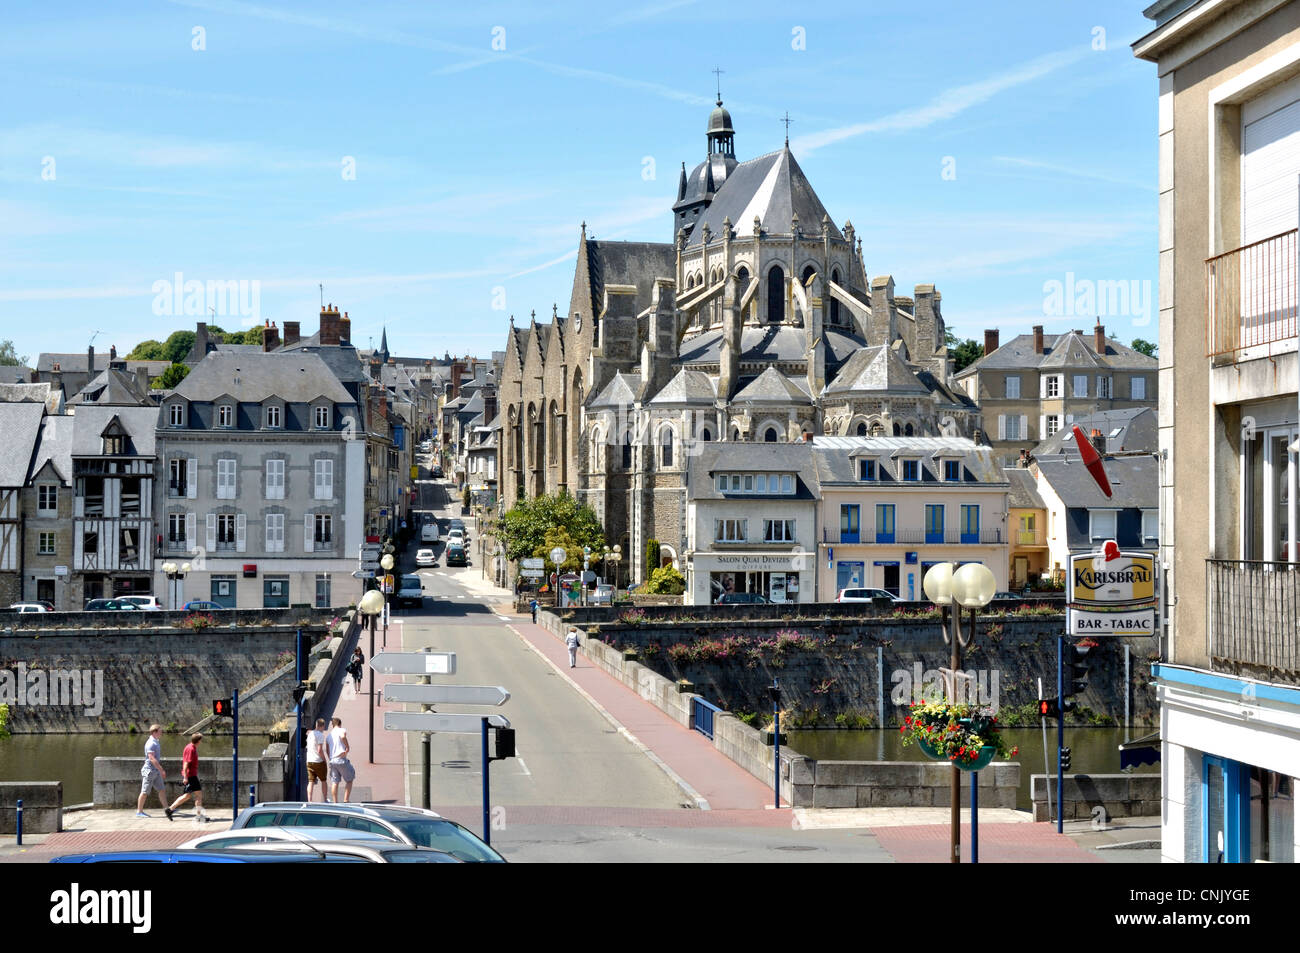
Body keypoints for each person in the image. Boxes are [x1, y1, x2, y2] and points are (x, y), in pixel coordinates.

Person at [166, 732, 206, 822]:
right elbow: (186, 764)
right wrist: (185, 777)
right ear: (198, 741)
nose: (201, 742)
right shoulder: (191, 749)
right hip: (191, 776)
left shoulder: (190, 747)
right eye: (201, 740)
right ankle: (199, 816)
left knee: (187, 796)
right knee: (199, 795)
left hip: (190, 775)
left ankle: (170, 810)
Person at [135, 724, 168, 818]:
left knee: (161, 790)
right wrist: (161, 770)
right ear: (154, 732)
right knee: (144, 792)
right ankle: (139, 812)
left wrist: (159, 770)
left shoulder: (155, 741)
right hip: (150, 771)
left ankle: (167, 809)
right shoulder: (151, 743)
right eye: (160, 731)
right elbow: (152, 758)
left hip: (155, 771)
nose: (161, 733)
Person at [327, 716, 355, 804]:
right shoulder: (341, 730)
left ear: (332, 725)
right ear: (340, 724)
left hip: (333, 760)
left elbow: (327, 750)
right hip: (341, 759)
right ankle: (346, 800)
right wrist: (347, 747)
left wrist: (331, 758)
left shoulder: (329, 736)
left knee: (335, 782)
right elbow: (343, 737)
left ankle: (335, 802)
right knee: (349, 779)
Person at [305, 717, 329, 802]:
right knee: (323, 780)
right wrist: (324, 760)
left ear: (316, 725)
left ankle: (310, 801)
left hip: (309, 761)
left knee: (311, 781)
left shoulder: (310, 734)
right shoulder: (320, 735)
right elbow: (319, 750)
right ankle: (325, 799)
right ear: (322, 726)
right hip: (318, 761)